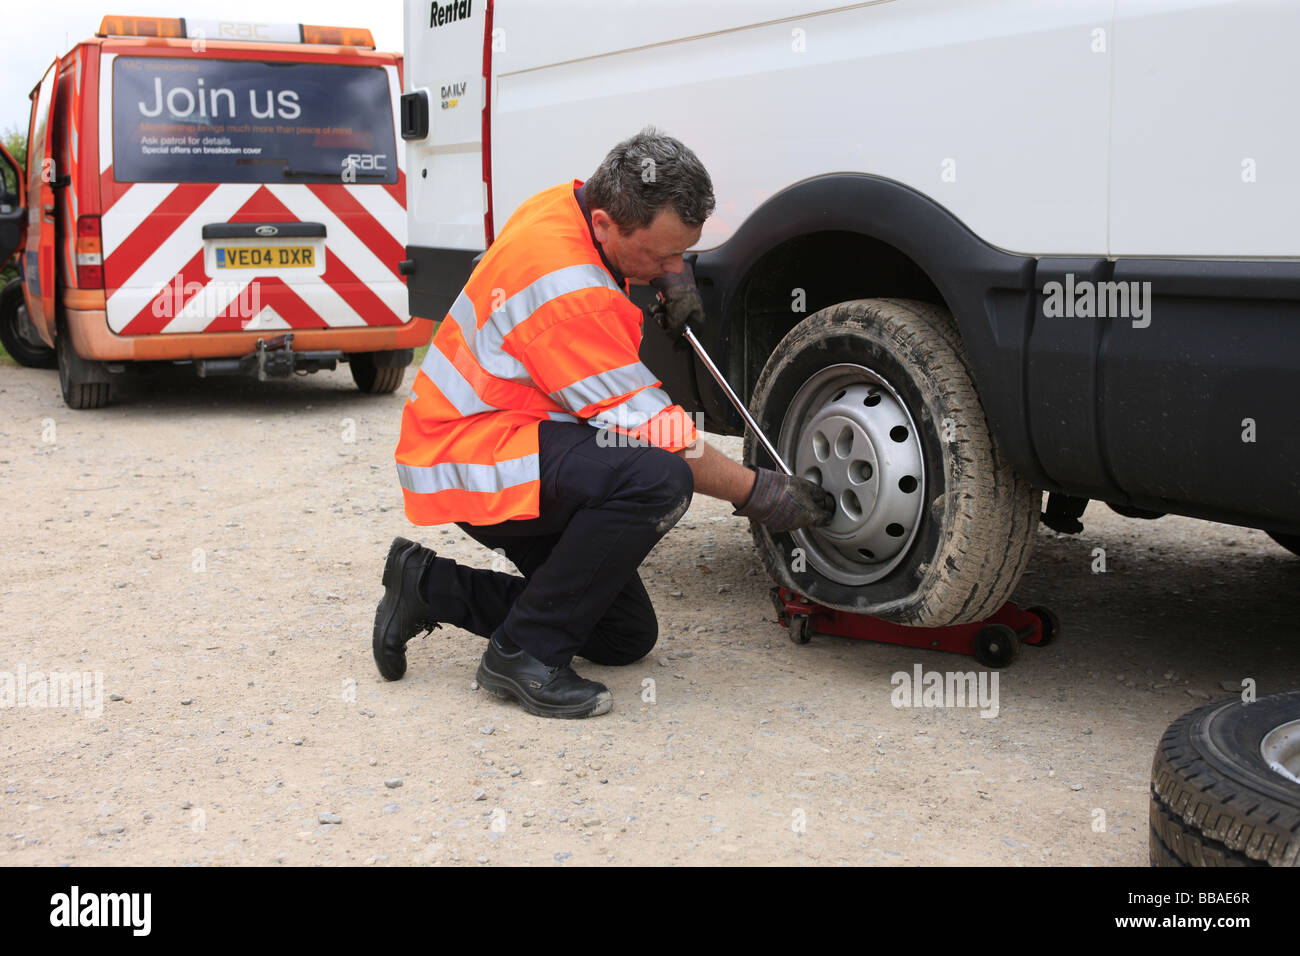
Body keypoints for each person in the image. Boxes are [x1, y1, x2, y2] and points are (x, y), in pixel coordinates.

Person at [373, 128, 833, 719]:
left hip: (513, 440)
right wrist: (761, 493)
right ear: (605, 225)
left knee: (623, 636)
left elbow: (627, 260)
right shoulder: (567, 292)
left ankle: (427, 587)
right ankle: (522, 655)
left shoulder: (564, 204)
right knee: (657, 476)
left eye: (683, 253)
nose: (673, 266)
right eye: (661, 254)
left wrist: (668, 276)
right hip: (474, 455)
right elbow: (658, 430)